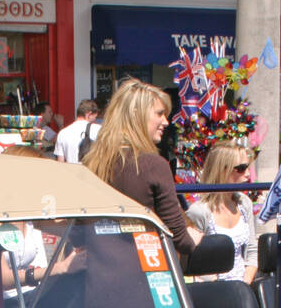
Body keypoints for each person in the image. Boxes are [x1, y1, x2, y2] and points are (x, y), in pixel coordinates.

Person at [82, 78, 202, 265]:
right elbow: (178, 234)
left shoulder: (91, 163)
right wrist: (194, 240)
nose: (166, 122)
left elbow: (78, 231)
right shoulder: (153, 165)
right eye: (160, 114)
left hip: (97, 276)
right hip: (145, 276)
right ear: (137, 115)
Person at [186, 143, 257, 285]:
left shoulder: (244, 203)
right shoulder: (200, 211)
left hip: (242, 286)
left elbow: (252, 250)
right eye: (241, 169)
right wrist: (218, 285)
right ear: (221, 171)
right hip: (211, 289)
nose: (248, 174)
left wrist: (245, 284)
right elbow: (190, 258)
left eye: (248, 167)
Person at [54, 99, 100, 163]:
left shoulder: (62, 133)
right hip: (90, 171)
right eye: (95, 117)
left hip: (69, 171)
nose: (95, 120)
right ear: (89, 114)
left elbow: (60, 162)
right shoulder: (98, 129)